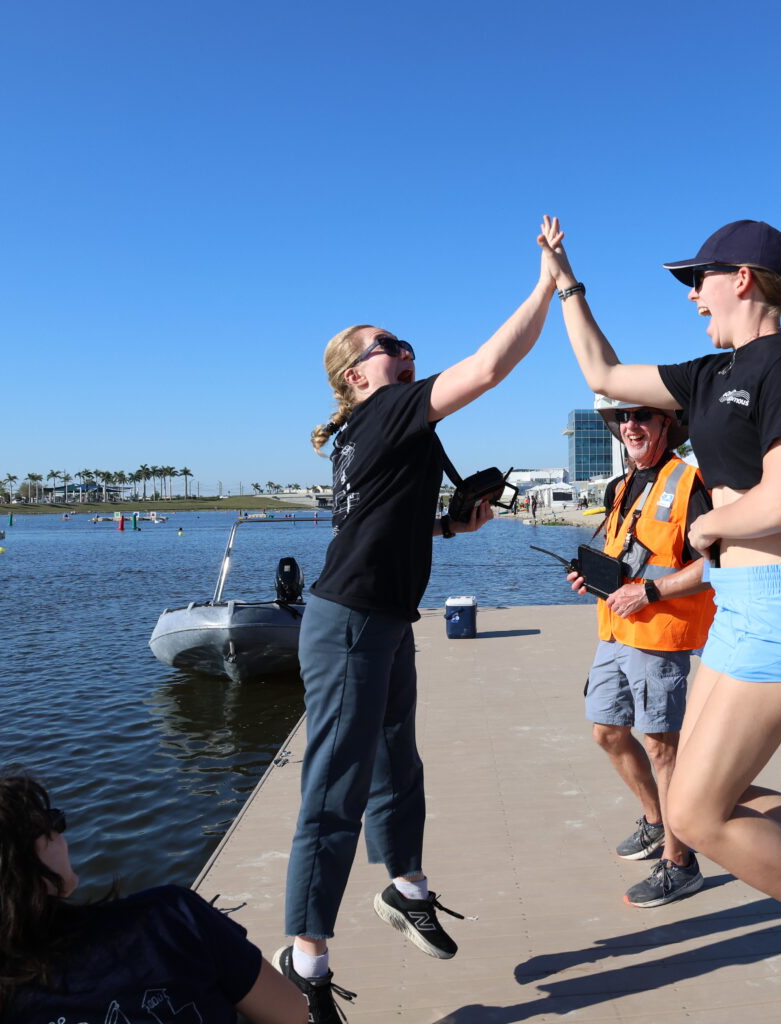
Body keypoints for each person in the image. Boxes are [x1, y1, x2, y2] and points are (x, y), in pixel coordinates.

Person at [543, 215, 781, 1024]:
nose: (691, 297)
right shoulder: (710, 374)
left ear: (741, 278)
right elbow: (602, 372)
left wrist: (708, 525)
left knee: (698, 813)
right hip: (741, 608)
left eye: (698, 281)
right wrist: (566, 284)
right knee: (705, 793)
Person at [277, 238, 556, 1022]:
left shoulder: (377, 431)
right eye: (388, 345)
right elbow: (489, 368)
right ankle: (305, 963)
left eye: (405, 343)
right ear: (356, 375)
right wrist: (547, 287)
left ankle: (406, 888)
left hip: (385, 619)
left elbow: (376, 524)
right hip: (350, 624)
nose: (405, 351)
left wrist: (449, 525)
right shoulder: (387, 410)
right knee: (334, 790)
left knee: (399, 761)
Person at [0, 772, 305, 1024]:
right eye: (51, 824)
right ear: (16, 871)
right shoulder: (169, 920)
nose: (61, 833)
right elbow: (292, 1015)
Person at [581, 395, 715, 908]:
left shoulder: (690, 482)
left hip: (660, 634)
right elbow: (627, 556)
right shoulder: (622, 486)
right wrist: (591, 577)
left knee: (662, 747)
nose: (630, 425)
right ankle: (658, 822)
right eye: (623, 417)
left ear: (665, 424)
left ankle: (681, 863)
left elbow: (717, 562)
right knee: (608, 731)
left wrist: (651, 592)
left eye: (642, 416)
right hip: (615, 629)